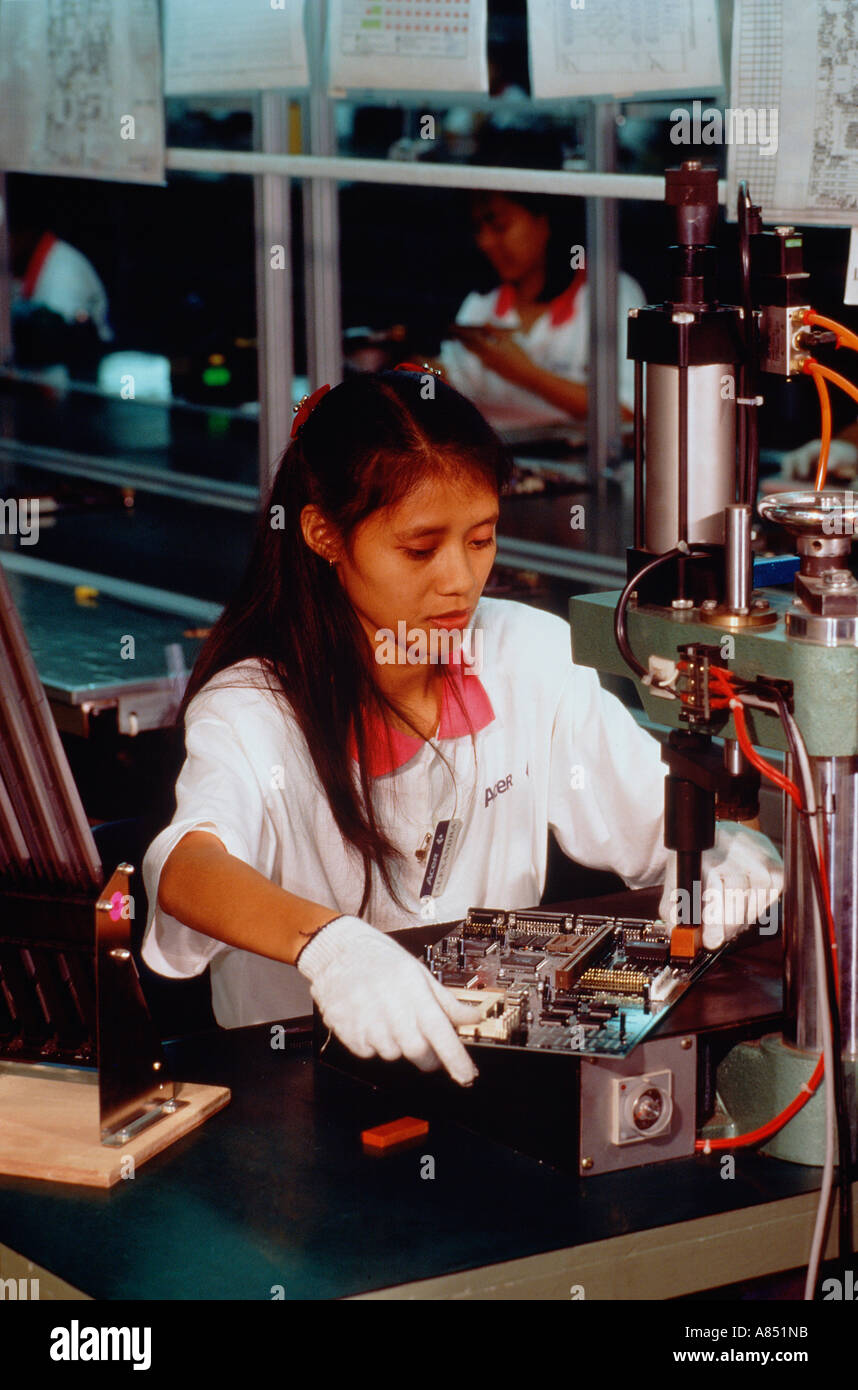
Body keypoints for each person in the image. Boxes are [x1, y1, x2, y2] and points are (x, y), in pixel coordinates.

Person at [141, 370, 782, 1085]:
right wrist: (331, 947)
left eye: (480, 540)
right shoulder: (256, 706)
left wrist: (728, 860)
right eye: (420, 548)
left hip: (494, 1070)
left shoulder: (526, 654)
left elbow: (664, 827)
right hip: (299, 1086)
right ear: (324, 534)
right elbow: (186, 869)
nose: (459, 581)